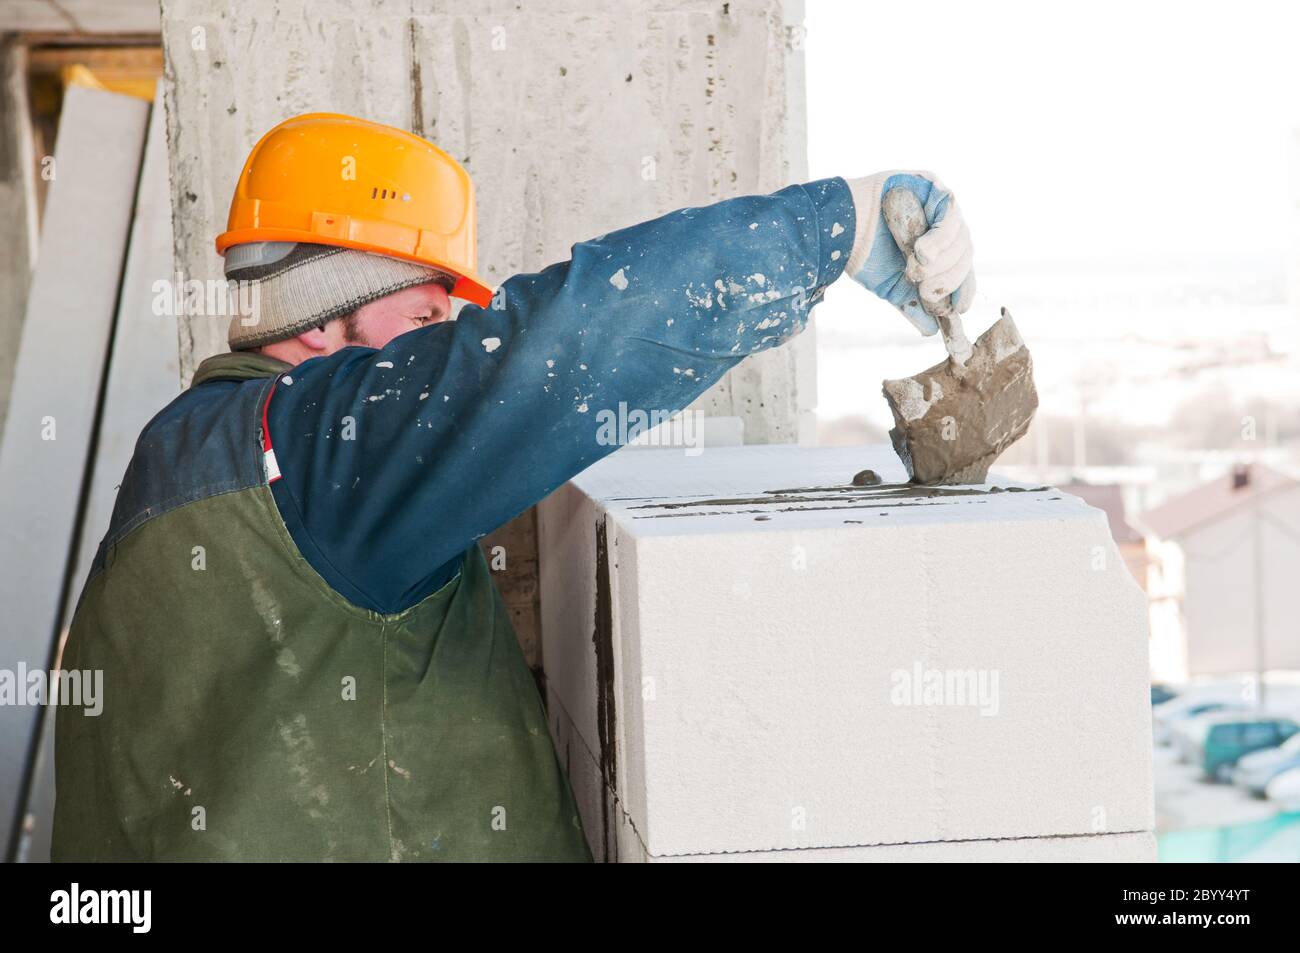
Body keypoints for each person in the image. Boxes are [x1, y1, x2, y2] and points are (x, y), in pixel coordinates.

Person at [53, 112, 974, 861]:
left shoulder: (191, 454)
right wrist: (832, 228)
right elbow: (565, 344)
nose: (437, 344)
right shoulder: (313, 454)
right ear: (321, 311)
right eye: (422, 315)